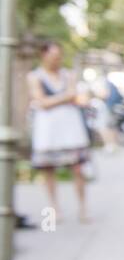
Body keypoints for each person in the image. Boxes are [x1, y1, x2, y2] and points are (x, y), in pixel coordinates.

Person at [26, 41, 91, 224]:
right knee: (49, 172)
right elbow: (41, 102)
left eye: (59, 57)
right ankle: (54, 211)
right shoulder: (35, 76)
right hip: (48, 132)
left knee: (78, 169)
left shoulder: (67, 74)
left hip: (71, 131)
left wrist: (51, 101)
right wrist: (64, 98)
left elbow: (53, 100)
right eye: (54, 57)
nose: (57, 60)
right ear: (43, 56)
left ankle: (83, 209)